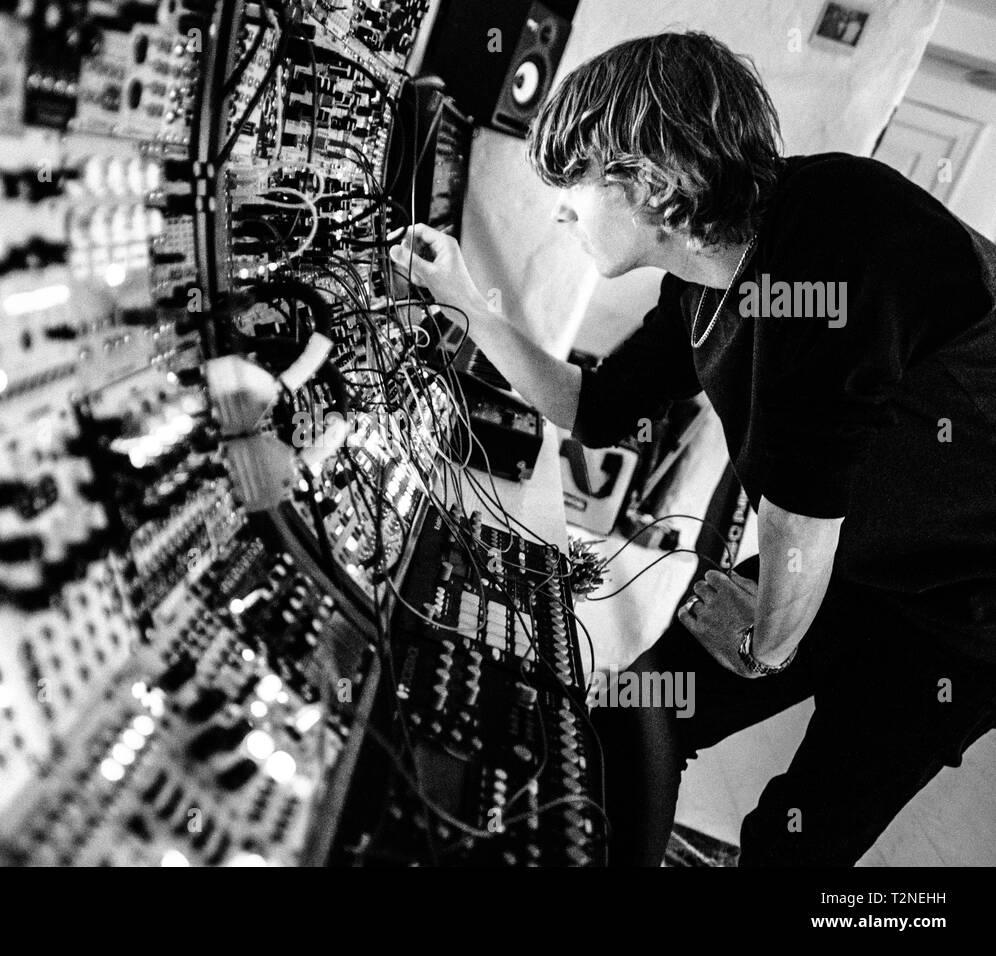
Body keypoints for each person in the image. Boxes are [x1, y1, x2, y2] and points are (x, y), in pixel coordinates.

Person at [388, 31, 996, 866]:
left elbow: (802, 505)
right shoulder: (696, 290)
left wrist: (764, 645)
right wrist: (463, 297)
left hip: (963, 615)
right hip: (847, 560)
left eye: (576, 183)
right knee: (636, 709)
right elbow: (593, 408)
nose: (563, 208)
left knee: (797, 840)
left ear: (654, 183)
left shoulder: (838, 225)